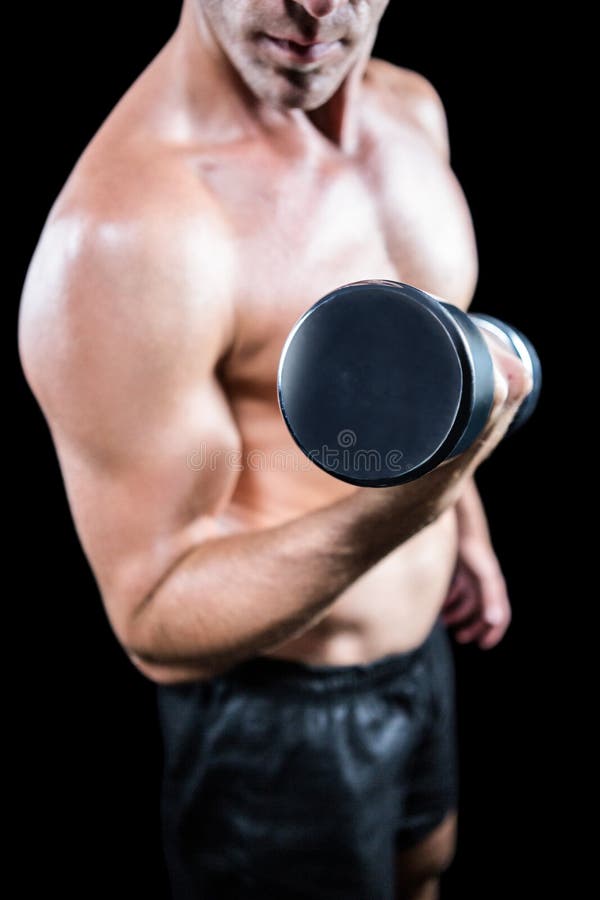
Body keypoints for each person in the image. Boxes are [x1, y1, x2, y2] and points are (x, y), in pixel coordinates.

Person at [17, 2, 532, 898]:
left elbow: (416, 387)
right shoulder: (132, 235)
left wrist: (467, 533)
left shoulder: (409, 111)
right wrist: (422, 505)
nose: (317, 5)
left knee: (427, 873)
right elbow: (155, 619)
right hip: (279, 720)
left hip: (420, 661)